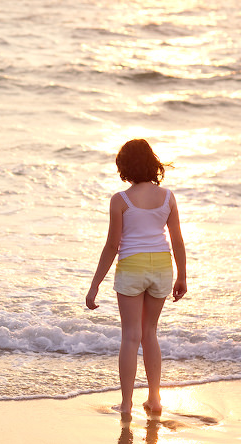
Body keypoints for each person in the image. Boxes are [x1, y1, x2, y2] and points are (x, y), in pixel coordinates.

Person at [85, 139, 187, 415]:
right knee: (150, 333)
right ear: (152, 163)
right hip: (162, 267)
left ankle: (127, 403)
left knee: (131, 336)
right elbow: (177, 240)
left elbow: (112, 246)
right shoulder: (168, 197)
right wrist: (182, 276)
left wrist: (94, 286)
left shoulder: (121, 200)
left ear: (125, 167)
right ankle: (155, 399)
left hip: (132, 267)